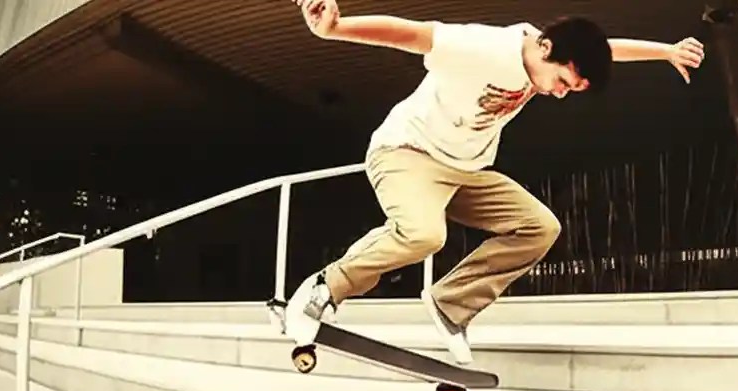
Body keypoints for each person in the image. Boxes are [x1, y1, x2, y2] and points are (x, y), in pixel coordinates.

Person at [282, 0, 705, 364]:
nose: (559, 94)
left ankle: (451, 305)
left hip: (464, 170)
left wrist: (666, 52)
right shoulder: (482, 46)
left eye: (569, 90)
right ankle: (324, 288)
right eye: (561, 83)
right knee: (424, 235)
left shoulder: (551, 49)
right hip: (407, 153)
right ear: (546, 49)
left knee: (540, 227)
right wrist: (335, 29)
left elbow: (607, 48)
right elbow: (409, 34)